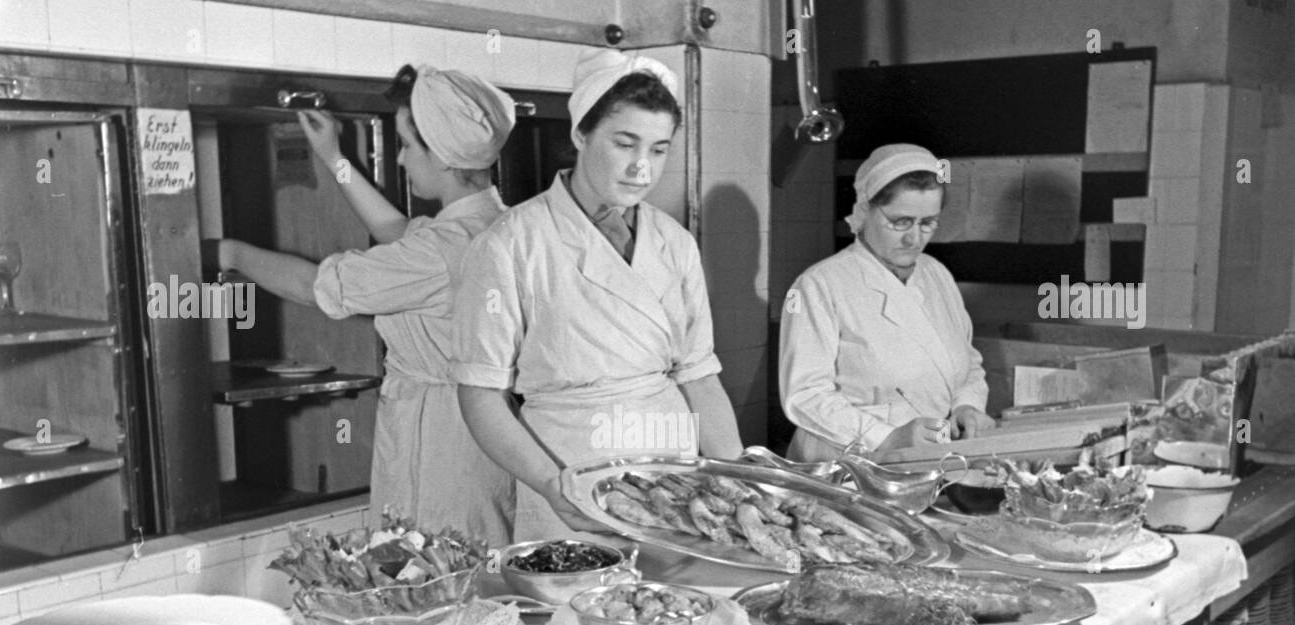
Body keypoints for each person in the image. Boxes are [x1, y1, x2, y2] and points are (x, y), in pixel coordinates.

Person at [210, 65, 516, 544]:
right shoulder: (499, 224)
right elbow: (398, 235)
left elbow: (313, 286)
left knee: (432, 570)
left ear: (445, 157)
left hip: (438, 439)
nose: (400, 160)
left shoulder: (439, 251)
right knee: (476, 558)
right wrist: (332, 157)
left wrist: (230, 254)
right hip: (488, 432)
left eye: (408, 146)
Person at [451, 49, 743, 539]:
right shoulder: (511, 243)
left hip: (674, 472)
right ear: (581, 134)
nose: (642, 169)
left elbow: (699, 376)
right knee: (578, 609)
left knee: (676, 608)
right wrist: (552, 485)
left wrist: (738, 481)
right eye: (625, 144)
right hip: (572, 470)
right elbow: (480, 395)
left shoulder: (674, 243)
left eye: (658, 149)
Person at [778, 143, 996, 462]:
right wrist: (884, 436)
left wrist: (968, 405)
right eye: (900, 221)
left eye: (927, 223)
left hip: (927, 459)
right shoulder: (820, 285)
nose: (914, 239)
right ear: (865, 210)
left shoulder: (937, 275)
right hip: (849, 464)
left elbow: (968, 364)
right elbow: (804, 395)